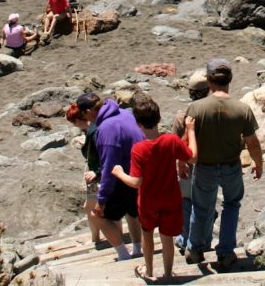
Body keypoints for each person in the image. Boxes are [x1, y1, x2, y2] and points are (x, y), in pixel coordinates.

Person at [185, 59, 264, 271]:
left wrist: (181, 162)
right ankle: (226, 253)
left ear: (209, 81)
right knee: (231, 205)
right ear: (230, 80)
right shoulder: (242, 109)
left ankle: (194, 248)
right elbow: (252, 142)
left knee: (201, 207)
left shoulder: (196, 108)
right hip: (231, 166)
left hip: (204, 167)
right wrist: (258, 163)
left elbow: (186, 140)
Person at [112, 96, 197, 282]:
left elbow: (136, 182)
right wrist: (190, 131)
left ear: (138, 123)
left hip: (148, 201)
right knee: (167, 238)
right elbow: (193, 157)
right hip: (170, 198)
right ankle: (167, 274)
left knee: (147, 235)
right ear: (159, 119)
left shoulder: (138, 149)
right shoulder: (171, 140)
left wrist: (119, 173)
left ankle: (149, 271)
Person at [88, 92, 145, 261]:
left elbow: (108, 166)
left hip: (121, 177)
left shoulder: (105, 128)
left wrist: (102, 199)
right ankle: (137, 249)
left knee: (96, 214)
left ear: (89, 112)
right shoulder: (125, 114)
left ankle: (123, 254)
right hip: (138, 173)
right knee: (132, 213)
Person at [169, 70, 210, 254]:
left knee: (186, 203)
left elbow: (174, 142)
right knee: (206, 205)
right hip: (207, 164)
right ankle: (205, 241)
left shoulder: (181, 116)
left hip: (185, 165)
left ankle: (185, 238)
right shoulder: (211, 113)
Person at [66, 97, 107, 248]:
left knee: (91, 208)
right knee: (93, 206)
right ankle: (97, 237)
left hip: (96, 175)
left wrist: (97, 171)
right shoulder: (94, 128)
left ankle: (97, 239)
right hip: (97, 173)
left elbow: (102, 155)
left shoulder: (93, 131)